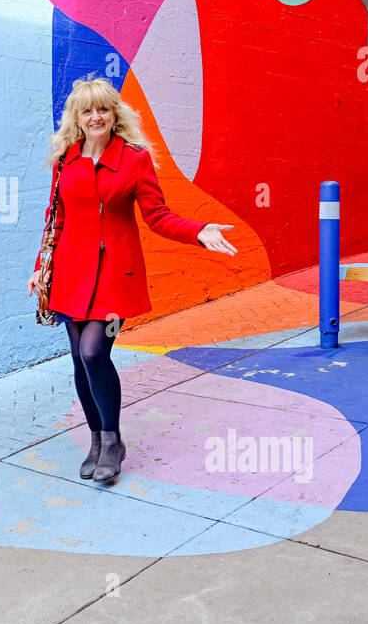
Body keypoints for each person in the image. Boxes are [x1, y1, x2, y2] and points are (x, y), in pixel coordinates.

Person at [27, 75, 238, 483]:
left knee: (93, 353)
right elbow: (55, 219)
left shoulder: (134, 159)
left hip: (112, 276)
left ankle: (113, 440)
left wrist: (197, 231)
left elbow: (157, 216)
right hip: (70, 273)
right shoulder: (65, 158)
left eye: (102, 109)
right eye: (87, 110)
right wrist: (41, 266)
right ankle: (95, 440)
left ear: (114, 113)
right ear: (77, 116)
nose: (95, 117)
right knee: (77, 359)